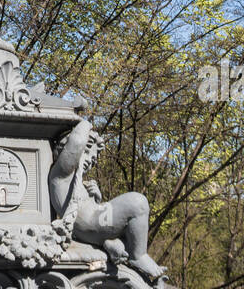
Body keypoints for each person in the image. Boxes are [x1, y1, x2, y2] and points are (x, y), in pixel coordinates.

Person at [49, 118, 163, 279]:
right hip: (95, 221)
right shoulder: (61, 175)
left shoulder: (76, 182)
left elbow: (87, 206)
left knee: (131, 228)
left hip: (98, 218)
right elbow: (76, 144)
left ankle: (111, 243)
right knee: (138, 202)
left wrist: (96, 197)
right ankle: (138, 256)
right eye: (89, 155)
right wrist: (85, 121)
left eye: (94, 160)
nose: (91, 162)